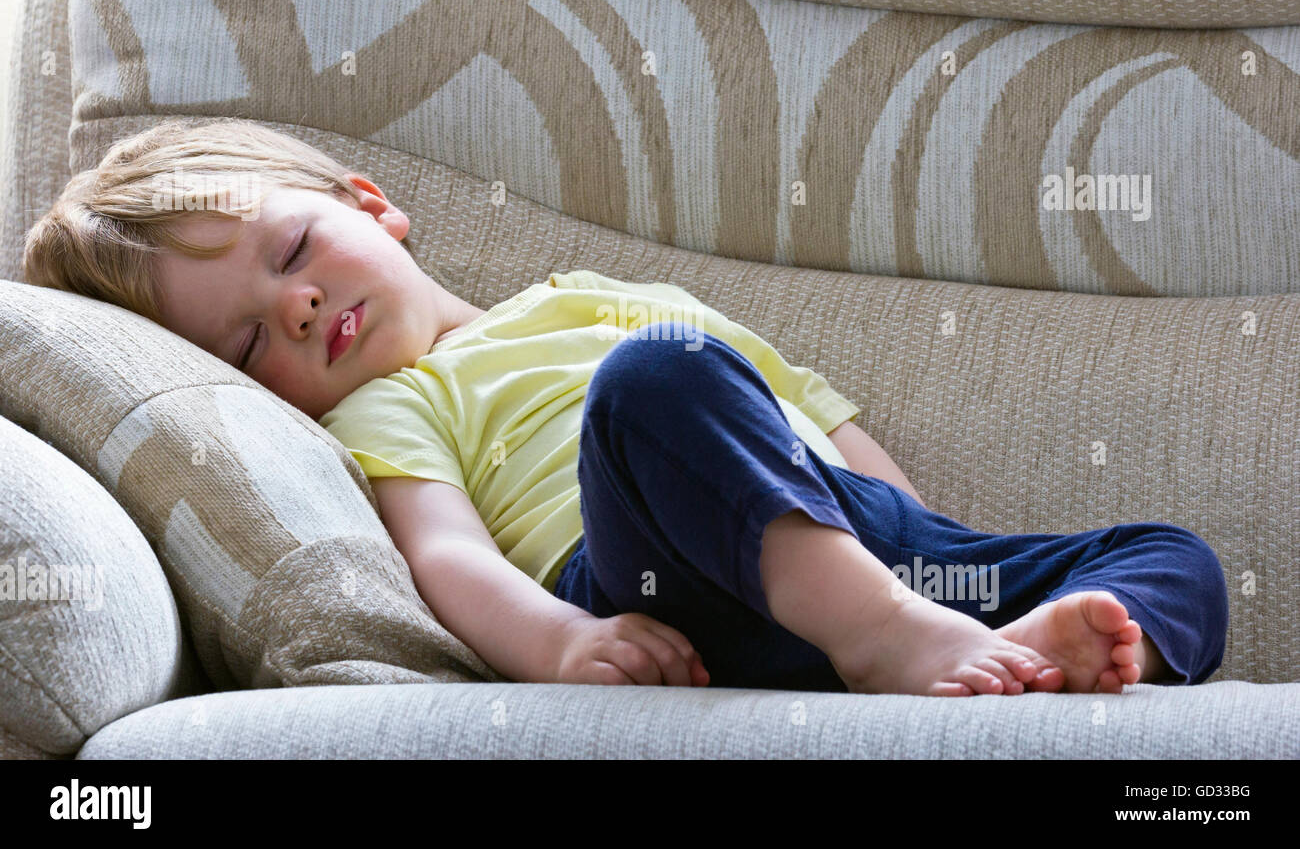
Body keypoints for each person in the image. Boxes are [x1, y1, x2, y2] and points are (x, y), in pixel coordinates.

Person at [22, 118, 1230, 695]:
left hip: (865, 551)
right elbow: (447, 559)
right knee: (653, 383)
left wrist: (941, 561)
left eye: (293, 248)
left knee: (1166, 558)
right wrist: (563, 646)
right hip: (662, 588)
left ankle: (1015, 653)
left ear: (371, 203)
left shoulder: (605, 296)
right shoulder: (387, 409)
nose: (294, 307)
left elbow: (817, 420)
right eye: (245, 335)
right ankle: (888, 645)